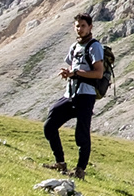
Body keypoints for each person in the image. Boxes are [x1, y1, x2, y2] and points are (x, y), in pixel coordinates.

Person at [44, 13, 105, 179]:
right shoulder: (74, 47)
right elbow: (73, 66)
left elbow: (98, 73)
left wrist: (76, 73)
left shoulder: (95, 47)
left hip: (86, 95)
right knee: (50, 125)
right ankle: (60, 162)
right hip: (70, 94)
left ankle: (80, 170)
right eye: (77, 26)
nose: (80, 29)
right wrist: (68, 73)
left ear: (90, 27)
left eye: (83, 26)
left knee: (82, 134)